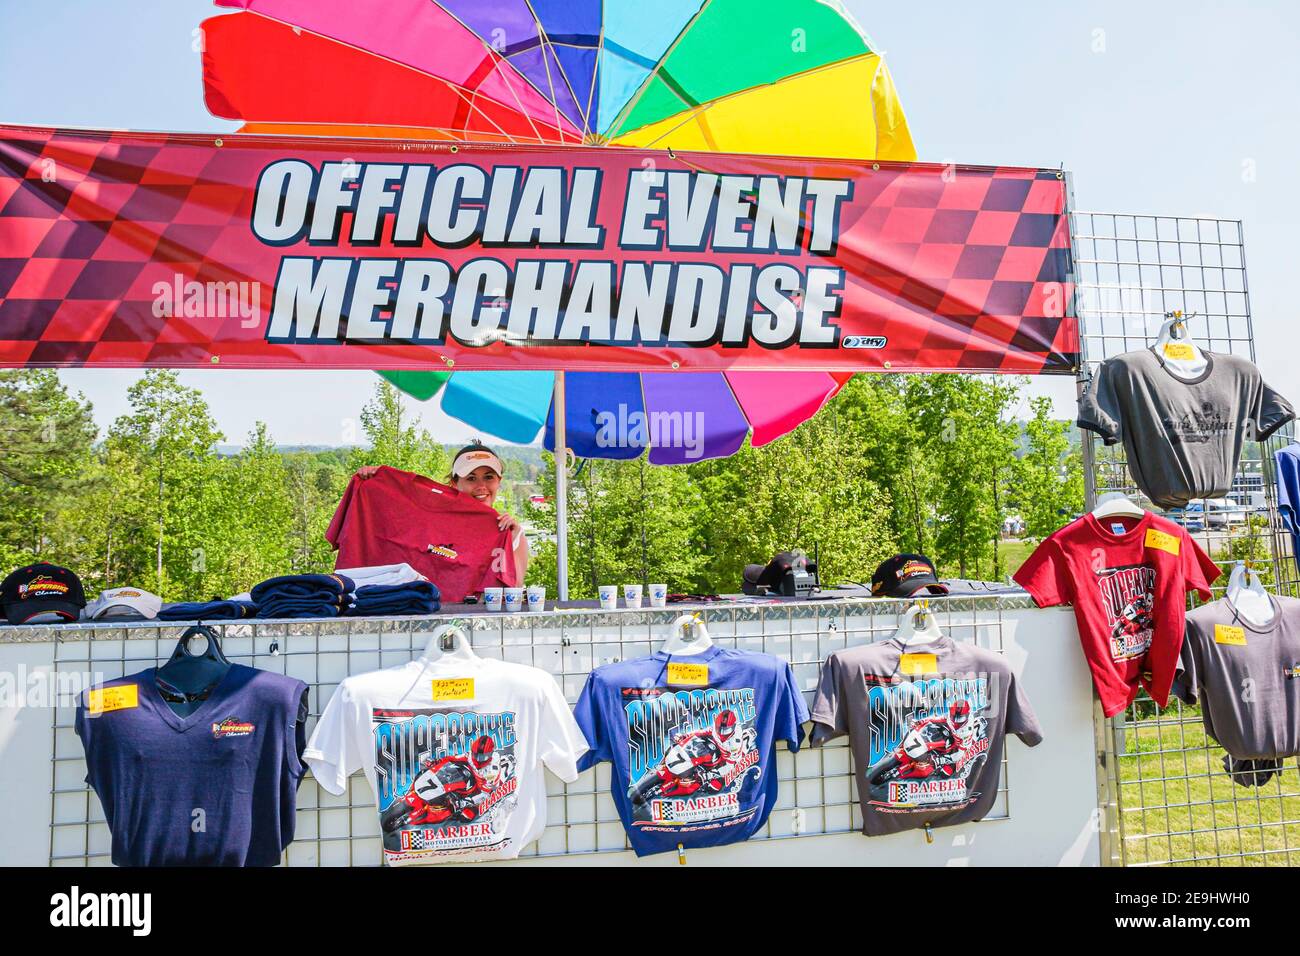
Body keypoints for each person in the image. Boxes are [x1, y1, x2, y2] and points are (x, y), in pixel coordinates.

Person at [356, 442, 529, 581]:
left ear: (499, 481)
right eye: (471, 478)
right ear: (454, 484)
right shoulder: (432, 521)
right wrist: (378, 481)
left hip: (483, 623)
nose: (481, 486)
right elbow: (398, 511)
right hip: (430, 619)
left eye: (489, 477)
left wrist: (510, 541)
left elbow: (514, 588)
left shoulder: (511, 532)